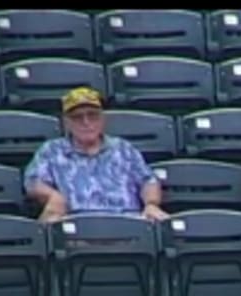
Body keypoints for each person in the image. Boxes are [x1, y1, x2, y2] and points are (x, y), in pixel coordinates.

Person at [24, 86, 169, 223]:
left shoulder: (123, 149)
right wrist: (53, 196)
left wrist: (151, 204)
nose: (86, 122)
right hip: (76, 226)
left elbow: (148, 180)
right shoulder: (52, 150)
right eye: (77, 117)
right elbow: (33, 182)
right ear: (66, 122)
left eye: (92, 115)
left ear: (102, 119)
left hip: (126, 224)